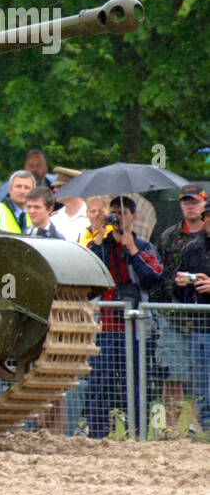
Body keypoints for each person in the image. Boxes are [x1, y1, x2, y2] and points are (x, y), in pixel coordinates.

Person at [84, 196, 162, 439]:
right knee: (100, 382)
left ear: (134, 216)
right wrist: (98, 235)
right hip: (105, 327)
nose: (119, 218)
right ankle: (98, 435)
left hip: (135, 327)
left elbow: (154, 279)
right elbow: (88, 271)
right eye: (114, 213)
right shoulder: (102, 245)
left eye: (124, 213)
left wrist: (132, 249)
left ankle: (138, 433)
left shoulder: (144, 247)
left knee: (137, 383)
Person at [153, 185, 207, 426]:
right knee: (173, 375)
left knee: (201, 376)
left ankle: (199, 424)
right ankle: (172, 429)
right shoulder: (168, 236)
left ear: (204, 204)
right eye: (185, 201)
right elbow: (159, 273)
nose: (190, 205)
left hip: (203, 320)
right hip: (173, 316)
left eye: (194, 201)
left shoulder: (205, 239)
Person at [164, 222, 210, 430]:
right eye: (207, 217)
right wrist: (182, 282)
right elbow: (176, 286)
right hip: (199, 326)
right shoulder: (193, 248)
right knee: (200, 384)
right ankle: (205, 428)